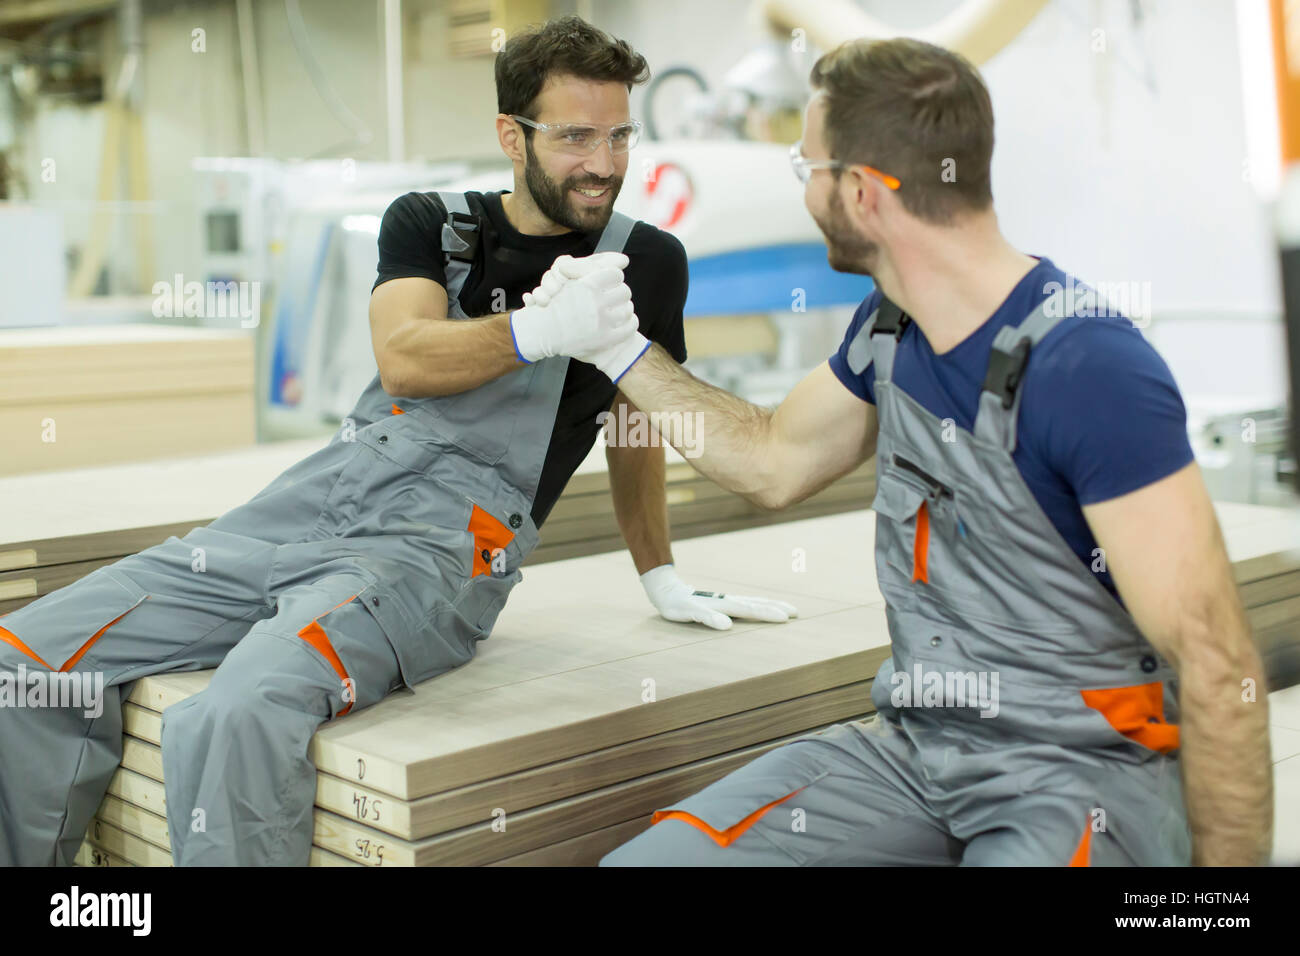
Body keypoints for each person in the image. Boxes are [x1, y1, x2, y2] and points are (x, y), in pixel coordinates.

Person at [0, 15, 795, 867]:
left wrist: (659, 571)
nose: (603, 163)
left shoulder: (649, 260)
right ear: (511, 136)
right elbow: (405, 359)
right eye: (573, 136)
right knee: (28, 659)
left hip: (446, 544)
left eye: (618, 135)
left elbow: (636, 421)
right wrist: (541, 328)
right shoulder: (428, 221)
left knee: (238, 714)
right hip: (318, 500)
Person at [548, 36, 1268, 866]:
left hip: (1077, 775)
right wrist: (620, 348)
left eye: (805, 168)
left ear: (860, 193)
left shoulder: (1088, 366)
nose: (803, 189)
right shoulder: (889, 326)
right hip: (918, 751)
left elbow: (1217, 660)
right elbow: (771, 459)